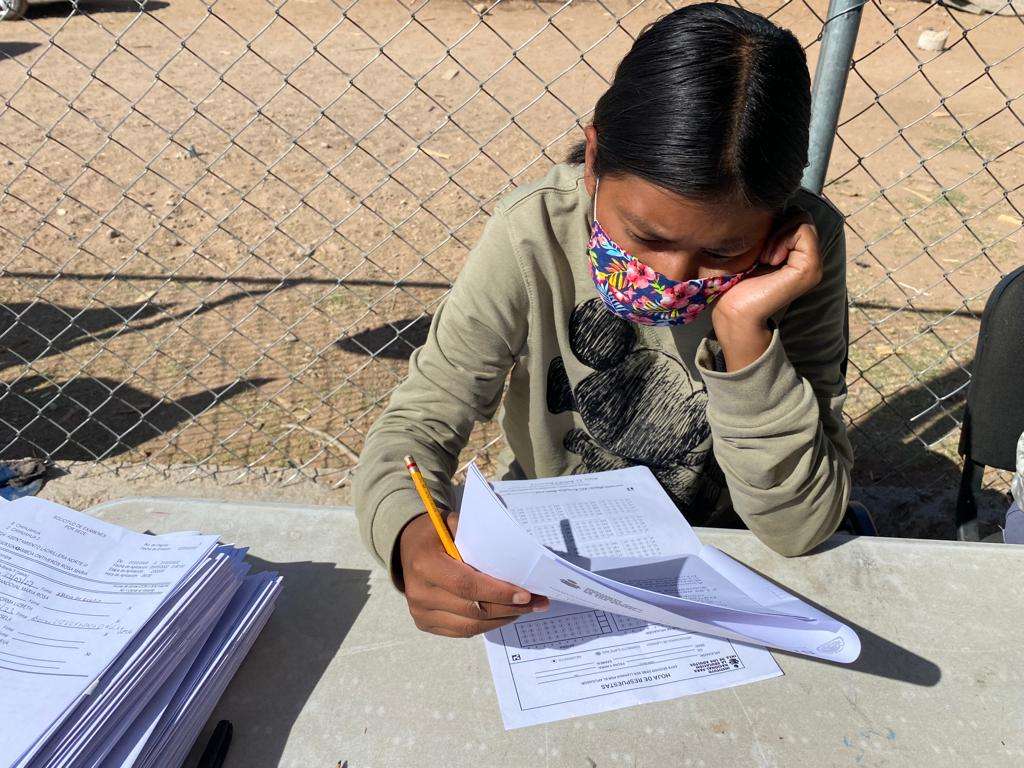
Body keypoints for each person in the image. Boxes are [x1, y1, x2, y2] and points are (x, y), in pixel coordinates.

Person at [354, 3, 853, 638]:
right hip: (550, 551)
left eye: (723, 251)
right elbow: (420, 419)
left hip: (726, 554)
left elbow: (798, 526)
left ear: (777, 219)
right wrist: (409, 537)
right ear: (593, 160)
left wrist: (745, 334)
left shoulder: (803, 254)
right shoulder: (533, 233)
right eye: (646, 236)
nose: (673, 275)